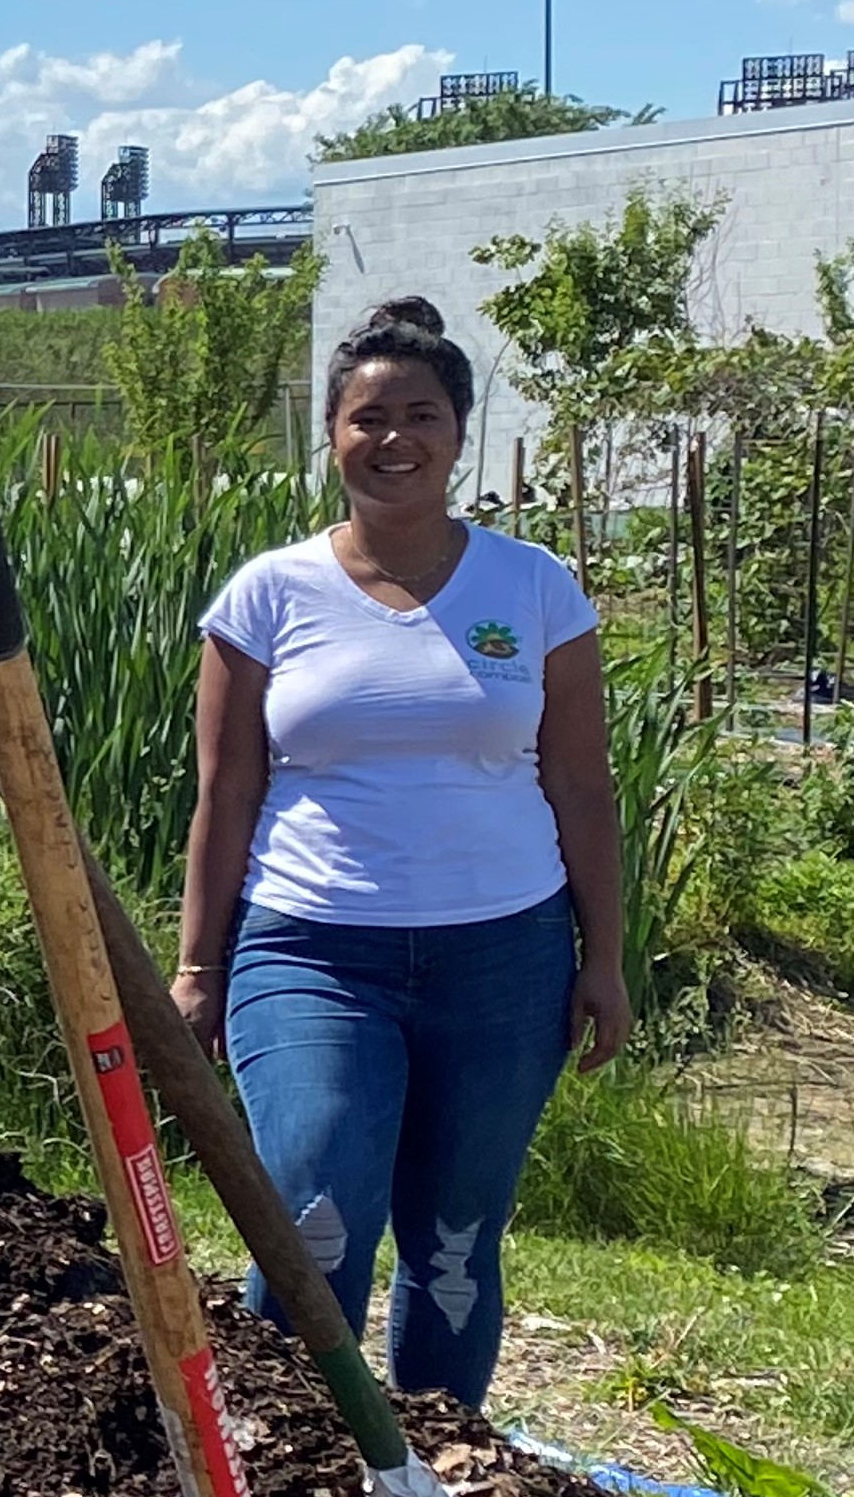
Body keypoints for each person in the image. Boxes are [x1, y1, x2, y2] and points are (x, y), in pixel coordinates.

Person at [175, 297, 631, 1409]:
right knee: (315, 1213)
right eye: (365, 417)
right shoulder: (266, 595)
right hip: (310, 951)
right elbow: (225, 789)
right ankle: (297, 1467)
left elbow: (578, 782)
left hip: (502, 957)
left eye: (418, 415)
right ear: (329, 434)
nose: (392, 440)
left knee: (455, 1240)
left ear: (456, 433)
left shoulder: (531, 588)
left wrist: (603, 955)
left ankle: (444, 1466)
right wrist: (196, 965)